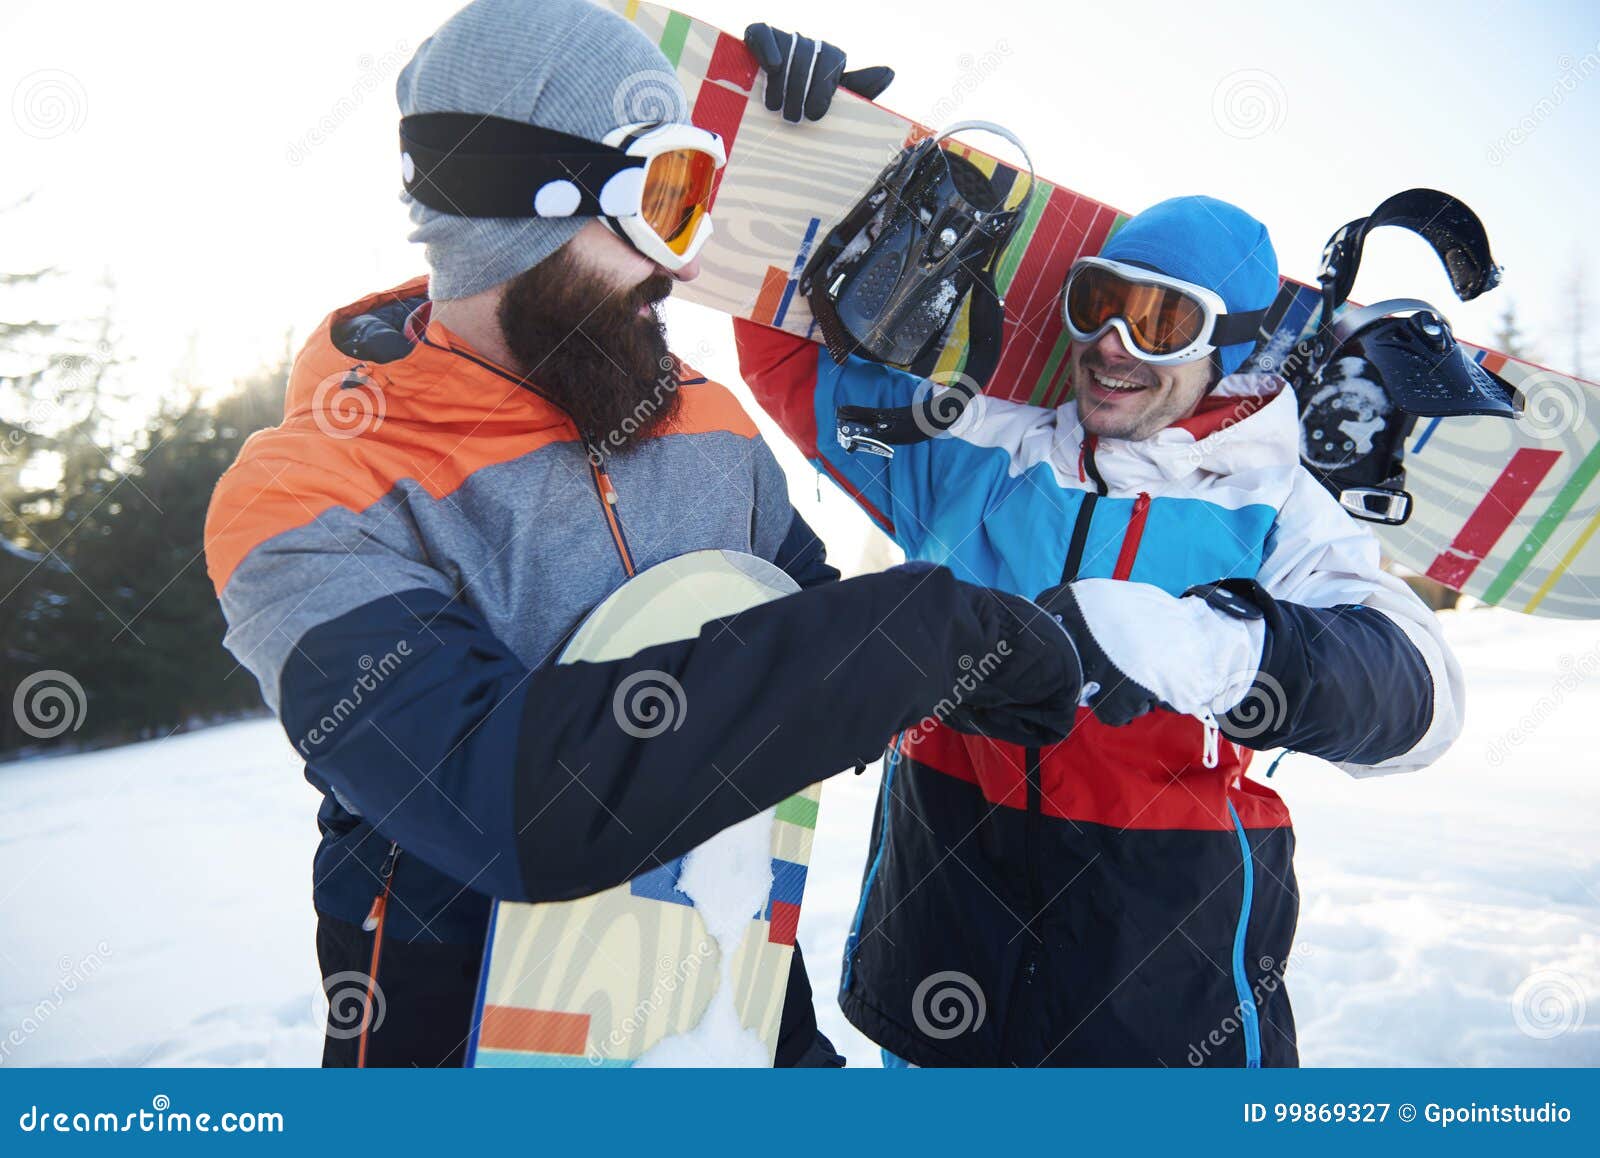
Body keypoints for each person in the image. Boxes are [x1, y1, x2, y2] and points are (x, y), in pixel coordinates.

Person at [202, 0, 1083, 1069]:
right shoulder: (307, 496)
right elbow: (505, 803)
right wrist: (913, 636)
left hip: (734, 998)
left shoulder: (704, 420)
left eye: (703, 202)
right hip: (468, 1047)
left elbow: (808, 643)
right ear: (521, 201)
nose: (686, 265)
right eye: (666, 198)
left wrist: (819, 205)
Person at [735, 164, 1466, 1060]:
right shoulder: (979, 454)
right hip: (942, 963)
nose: (1113, 344)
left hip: (1158, 998)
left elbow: (1422, 700)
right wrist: (799, 155)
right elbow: (787, 359)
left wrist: (1211, 648)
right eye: (1096, 303)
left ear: (1229, 348)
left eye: (1162, 322)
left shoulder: (1277, 508)